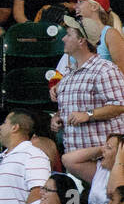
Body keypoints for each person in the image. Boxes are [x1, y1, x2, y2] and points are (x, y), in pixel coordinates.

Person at [53, 14, 124, 152]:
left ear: (81, 40)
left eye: (68, 34)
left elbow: (120, 105)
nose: (63, 38)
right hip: (76, 155)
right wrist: (57, 118)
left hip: (104, 158)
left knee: (68, 160)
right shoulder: (68, 74)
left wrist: (88, 114)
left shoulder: (104, 69)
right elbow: (70, 110)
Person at [63, 132, 122, 204]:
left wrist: (118, 162)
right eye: (104, 146)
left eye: (109, 148)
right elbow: (68, 160)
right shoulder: (101, 170)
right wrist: (100, 149)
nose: (103, 150)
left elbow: (112, 191)